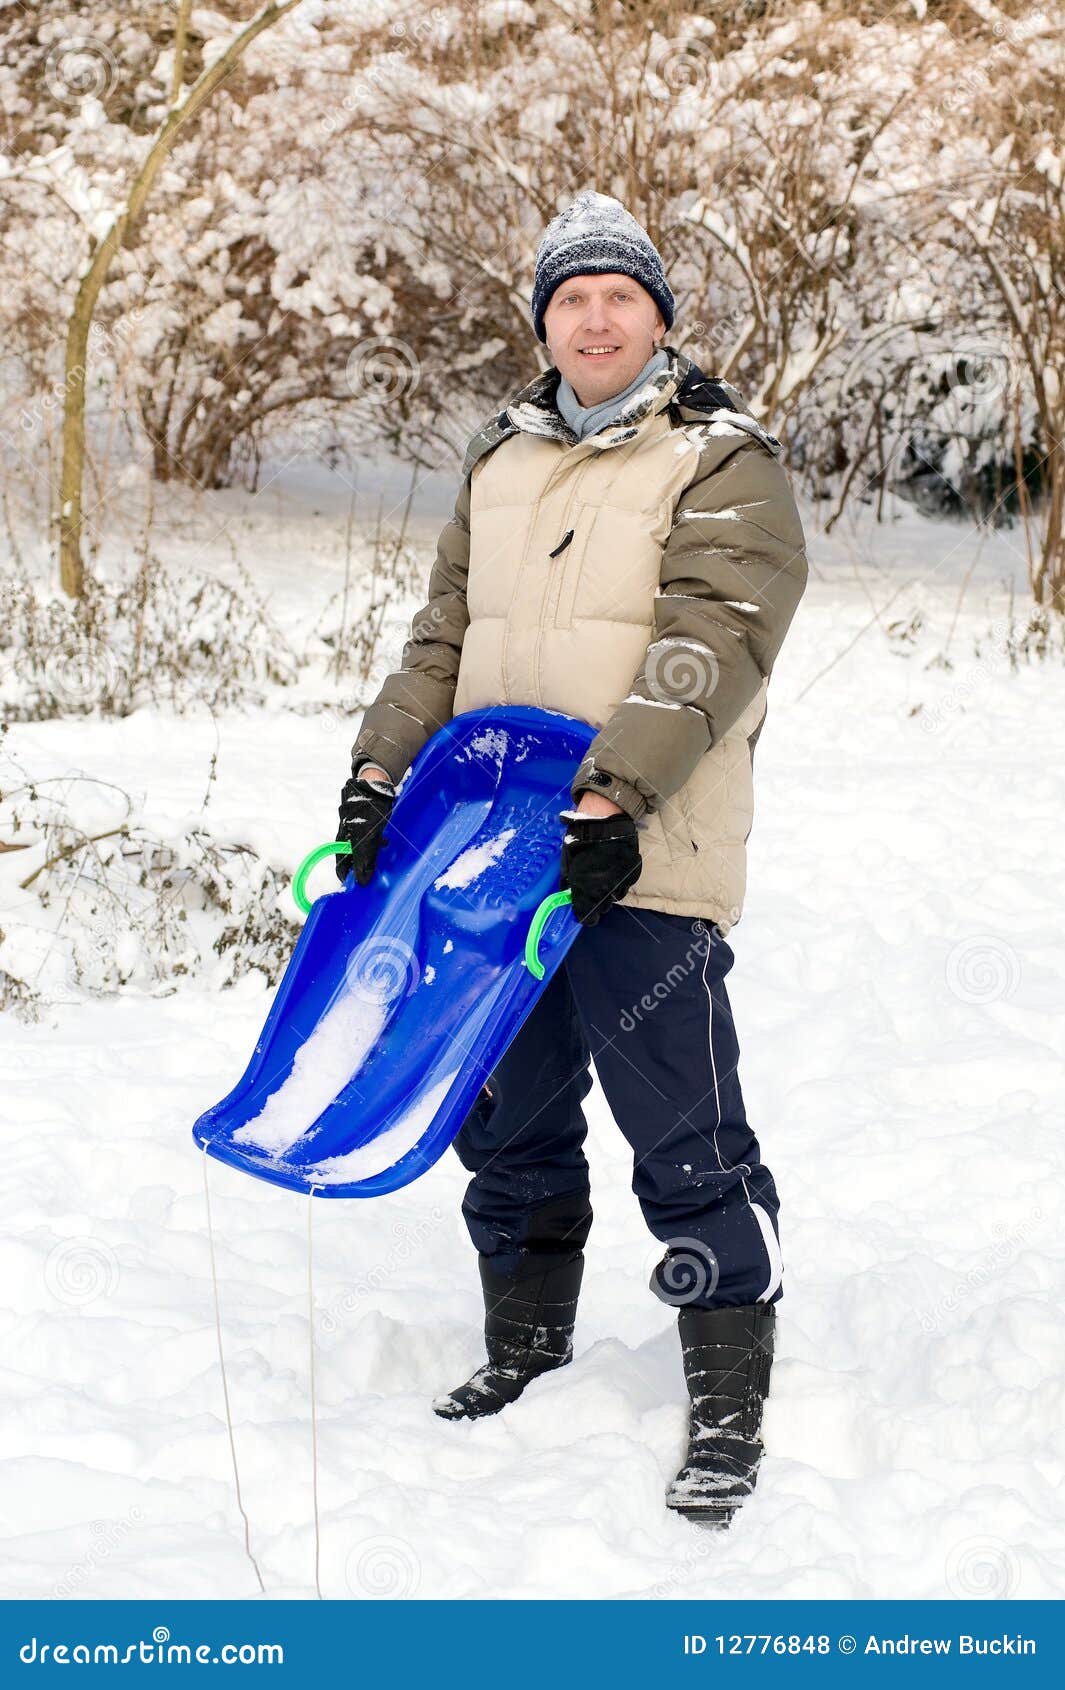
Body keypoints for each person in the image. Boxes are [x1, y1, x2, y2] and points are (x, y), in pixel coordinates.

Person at [335, 191, 808, 1525]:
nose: (593, 319)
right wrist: (381, 772)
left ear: (658, 316)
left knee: (685, 1129)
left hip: (646, 853)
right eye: (569, 299)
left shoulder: (721, 456)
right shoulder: (501, 456)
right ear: (542, 320)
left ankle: (724, 1404)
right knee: (509, 1117)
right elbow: (444, 636)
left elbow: (706, 639)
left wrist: (611, 800)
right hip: (492, 854)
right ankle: (524, 1346)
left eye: (619, 297)